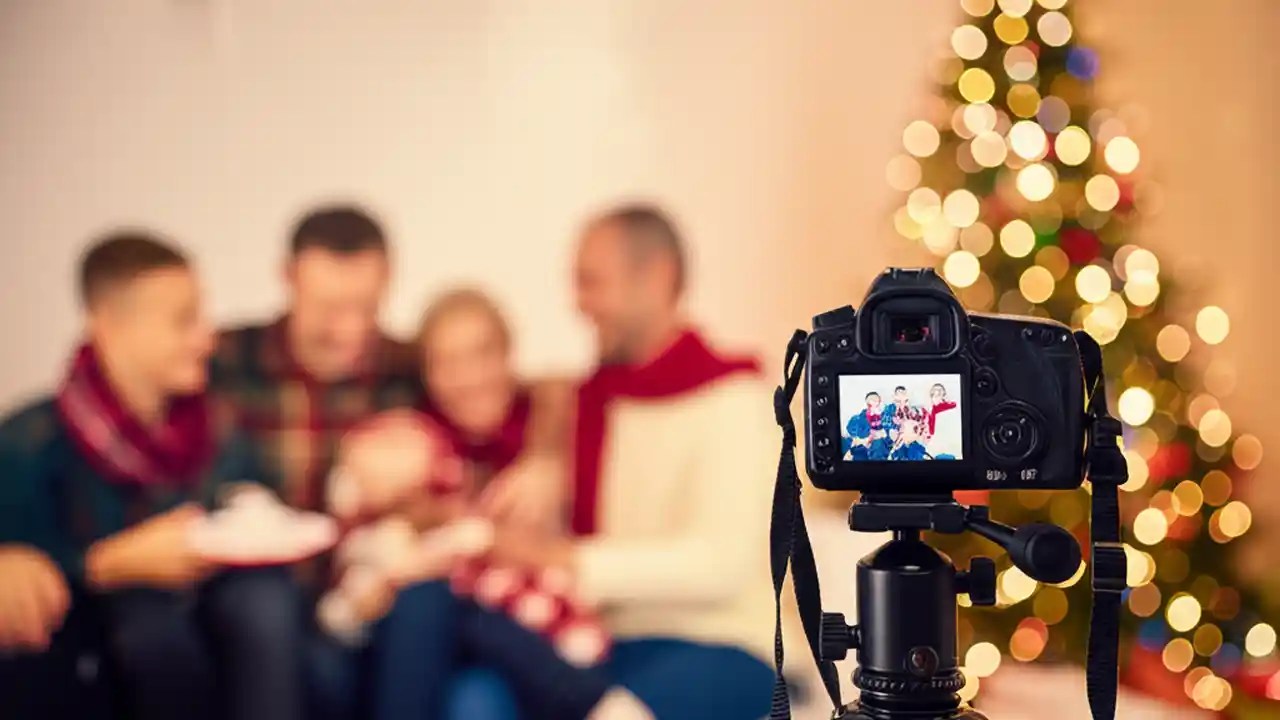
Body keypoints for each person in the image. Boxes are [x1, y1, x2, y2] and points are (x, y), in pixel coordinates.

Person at [454, 204, 777, 719]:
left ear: (657, 278)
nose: (579, 304)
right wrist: (543, 459)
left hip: (719, 643)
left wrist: (564, 559)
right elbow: (489, 406)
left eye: (592, 282)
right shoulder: (588, 401)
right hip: (598, 643)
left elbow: (722, 562)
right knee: (473, 695)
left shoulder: (734, 401)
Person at [0, 233, 302, 720]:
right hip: (102, 657)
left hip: (224, 629)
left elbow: (262, 509)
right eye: (184, 321)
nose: (207, 339)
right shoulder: (28, 445)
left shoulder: (222, 429)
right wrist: (106, 565)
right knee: (148, 626)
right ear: (108, 326)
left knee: (265, 601)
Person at [208, 205, 425, 718]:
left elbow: (509, 399)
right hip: (256, 592)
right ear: (288, 279)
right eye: (329, 308)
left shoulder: (408, 368)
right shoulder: (226, 361)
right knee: (264, 606)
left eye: (366, 307)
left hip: (362, 594)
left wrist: (546, 456)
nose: (349, 329)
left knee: (424, 601)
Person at [366, 288, 575, 720]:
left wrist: (546, 457)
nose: (469, 378)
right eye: (446, 362)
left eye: (482, 354)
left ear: (509, 355)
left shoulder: (547, 427)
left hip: (541, 627)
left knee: (477, 697)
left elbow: (560, 386)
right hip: (441, 637)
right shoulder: (415, 446)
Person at [845, 391, 891, 460]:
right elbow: (851, 431)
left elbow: (890, 438)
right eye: (872, 400)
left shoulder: (885, 418)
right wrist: (868, 435)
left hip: (880, 452)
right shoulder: (857, 418)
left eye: (877, 401)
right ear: (867, 404)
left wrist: (884, 434)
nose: (875, 403)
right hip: (861, 451)